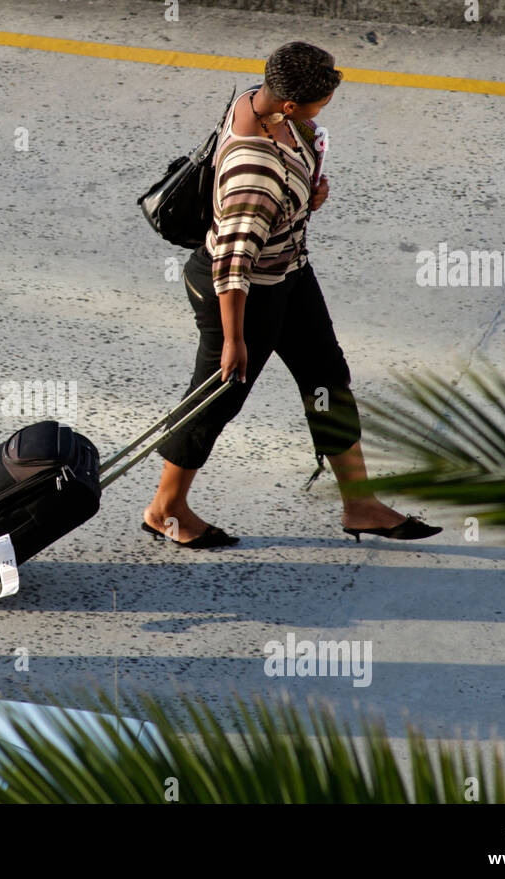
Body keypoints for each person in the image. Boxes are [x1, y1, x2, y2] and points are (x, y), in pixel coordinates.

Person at [142, 42, 441, 548]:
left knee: (326, 376)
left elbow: (280, 196)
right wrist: (235, 341)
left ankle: (361, 504)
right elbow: (231, 266)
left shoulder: (262, 102)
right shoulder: (254, 174)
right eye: (319, 102)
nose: (323, 109)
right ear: (287, 104)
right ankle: (165, 509)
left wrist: (306, 198)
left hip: (289, 274)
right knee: (216, 399)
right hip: (242, 295)